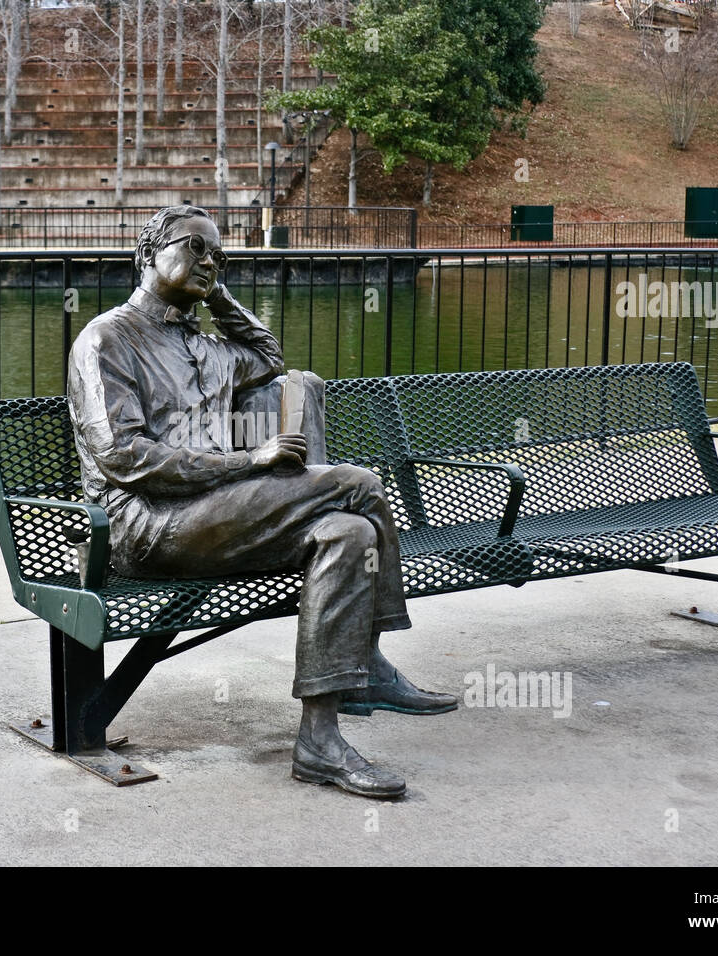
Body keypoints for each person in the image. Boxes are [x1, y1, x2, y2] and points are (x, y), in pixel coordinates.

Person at [66, 205, 456, 798]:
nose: (209, 261)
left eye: (219, 256)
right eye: (195, 248)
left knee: (347, 534)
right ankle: (369, 665)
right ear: (148, 254)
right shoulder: (107, 338)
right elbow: (123, 457)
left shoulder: (208, 349)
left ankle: (319, 742)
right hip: (146, 527)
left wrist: (216, 293)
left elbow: (268, 356)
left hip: (218, 515)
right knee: (359, 486)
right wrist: (249, 461)